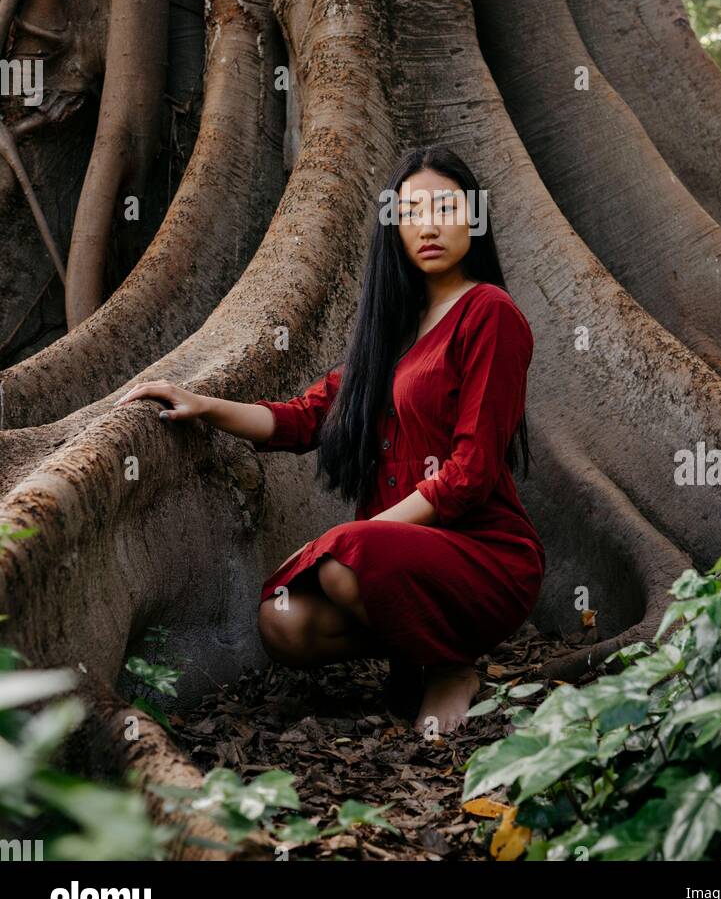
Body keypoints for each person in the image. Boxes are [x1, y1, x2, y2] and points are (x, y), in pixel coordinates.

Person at [114, 145, 545, 735]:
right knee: (282, 622)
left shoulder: (489, 313)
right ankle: (409, 656)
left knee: (347, 560)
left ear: (474, 218)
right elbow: (301, 419)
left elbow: (468, 473)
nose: (430, 225)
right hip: (392, 561)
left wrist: (350, 538)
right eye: (412, 212)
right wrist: (204, 405)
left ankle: (450, 667)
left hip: (485, 556)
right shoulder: (390, 335)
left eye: (446, 207)